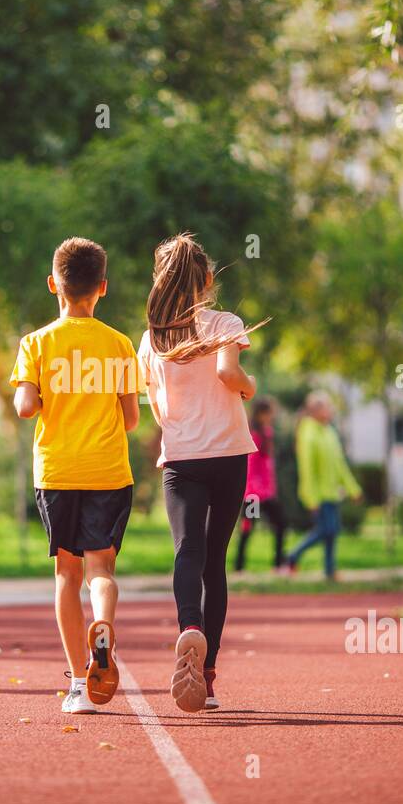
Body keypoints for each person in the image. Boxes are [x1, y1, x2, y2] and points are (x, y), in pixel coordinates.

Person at [10, 237, 139, 716]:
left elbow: (25, 407)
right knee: (101, 568)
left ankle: (80, 684)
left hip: (58, 470)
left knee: (67, 572)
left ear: (53, 286)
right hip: (108, 470)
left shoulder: (36, 343)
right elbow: (131, 420)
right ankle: (103, 624)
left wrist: (48, 400)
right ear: (102, 288)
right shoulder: (120, 344)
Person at [138, 233, 263, 713]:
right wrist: (250, 389)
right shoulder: (225, 322)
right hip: (230, 454)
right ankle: (207, 678)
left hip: (182, 458)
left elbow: (155, 404)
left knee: (186, 550)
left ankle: (189, 627)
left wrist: (177, 428)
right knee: (215, 561)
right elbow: (230, 376)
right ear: (207, 279)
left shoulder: (153, 337)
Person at [284, 392, 362, 581]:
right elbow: (307, 468)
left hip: (333, 492)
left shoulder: (329, 431)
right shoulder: (308, 433)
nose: (331, 411)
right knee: (326, 530)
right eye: (328, 407)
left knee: (331, 532)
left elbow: (340, 464)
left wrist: (353, 489)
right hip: (318, 495)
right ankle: (293, 555)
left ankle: (329, 570)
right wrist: (311, 498)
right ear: (316, 411)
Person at [234, 399, 288, 572]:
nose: (272, 416)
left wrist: (271, 489)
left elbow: (267, 467)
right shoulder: (254, 435)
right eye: (270, 413)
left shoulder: (267, 432)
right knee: (248, 528)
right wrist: (253, 491)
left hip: (267, 494)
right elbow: (250, 465)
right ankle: (239, 567)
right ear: (261, 414)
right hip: (254, 495)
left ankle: (278, 564)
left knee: (281, 524)